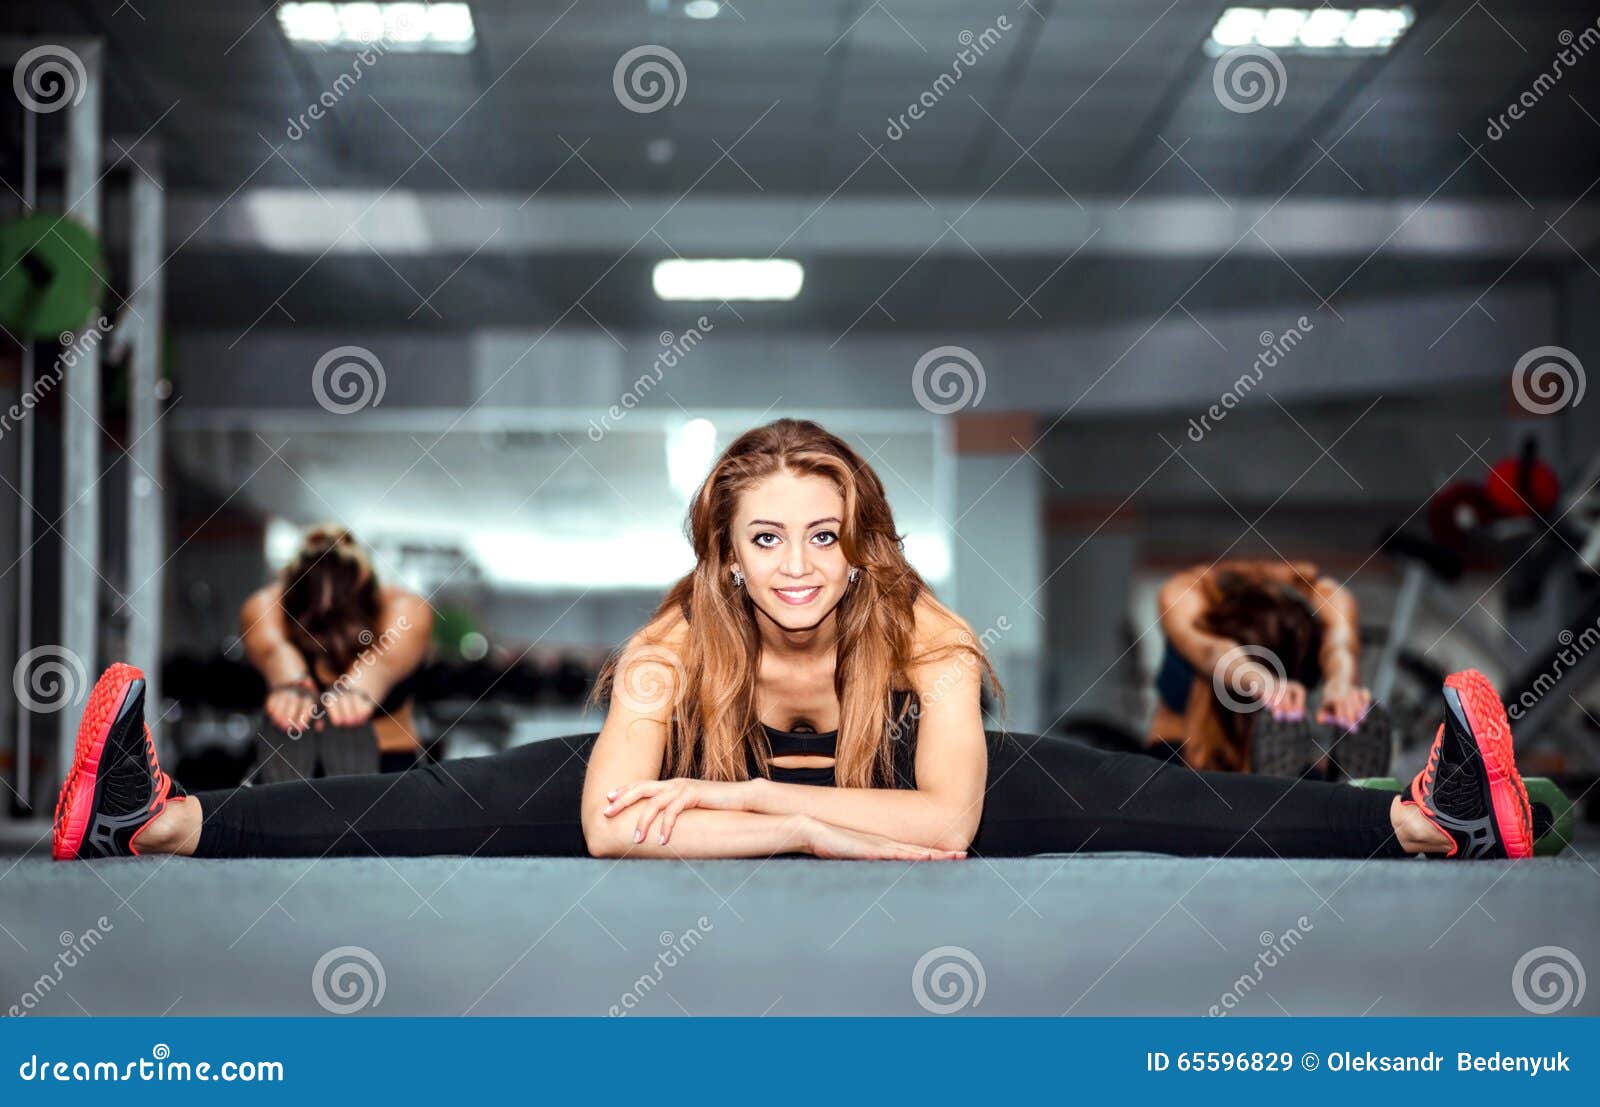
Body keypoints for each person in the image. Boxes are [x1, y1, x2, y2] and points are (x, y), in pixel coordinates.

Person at [53, 420, 1532, 864]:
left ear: (863, 537)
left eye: (825, 534)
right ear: (723, 550)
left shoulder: (927, 628)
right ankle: (159, 817)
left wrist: (754, 799)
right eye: (766, 538)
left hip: (866, 777)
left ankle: (1427, 817)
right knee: (455, 797)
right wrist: (789, 815)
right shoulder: (670, 638)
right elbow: (610, 827)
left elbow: (943, 828)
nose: (799, 567)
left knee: (1153, 796)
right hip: (741, 772)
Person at [1147, 560, 1386, 779]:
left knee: (1163, 782)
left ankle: (1308, 786)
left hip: (1193, 768)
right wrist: (1257, 679)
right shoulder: (1188, 592)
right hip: (1186, 749)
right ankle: (1339, 794)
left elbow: (1340, 646)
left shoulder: (1324, 597)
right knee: (1310, 784)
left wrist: (1340, 685)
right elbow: (1210, 651)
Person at [239, 525, 433, 782]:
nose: (327, 606)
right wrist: (290, 678)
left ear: (362, 578)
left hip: (388, 766)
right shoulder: (268, 604)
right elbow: (270, 646)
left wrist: (363, 684)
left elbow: (388, 658)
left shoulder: (402, 605)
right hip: (289, 769)